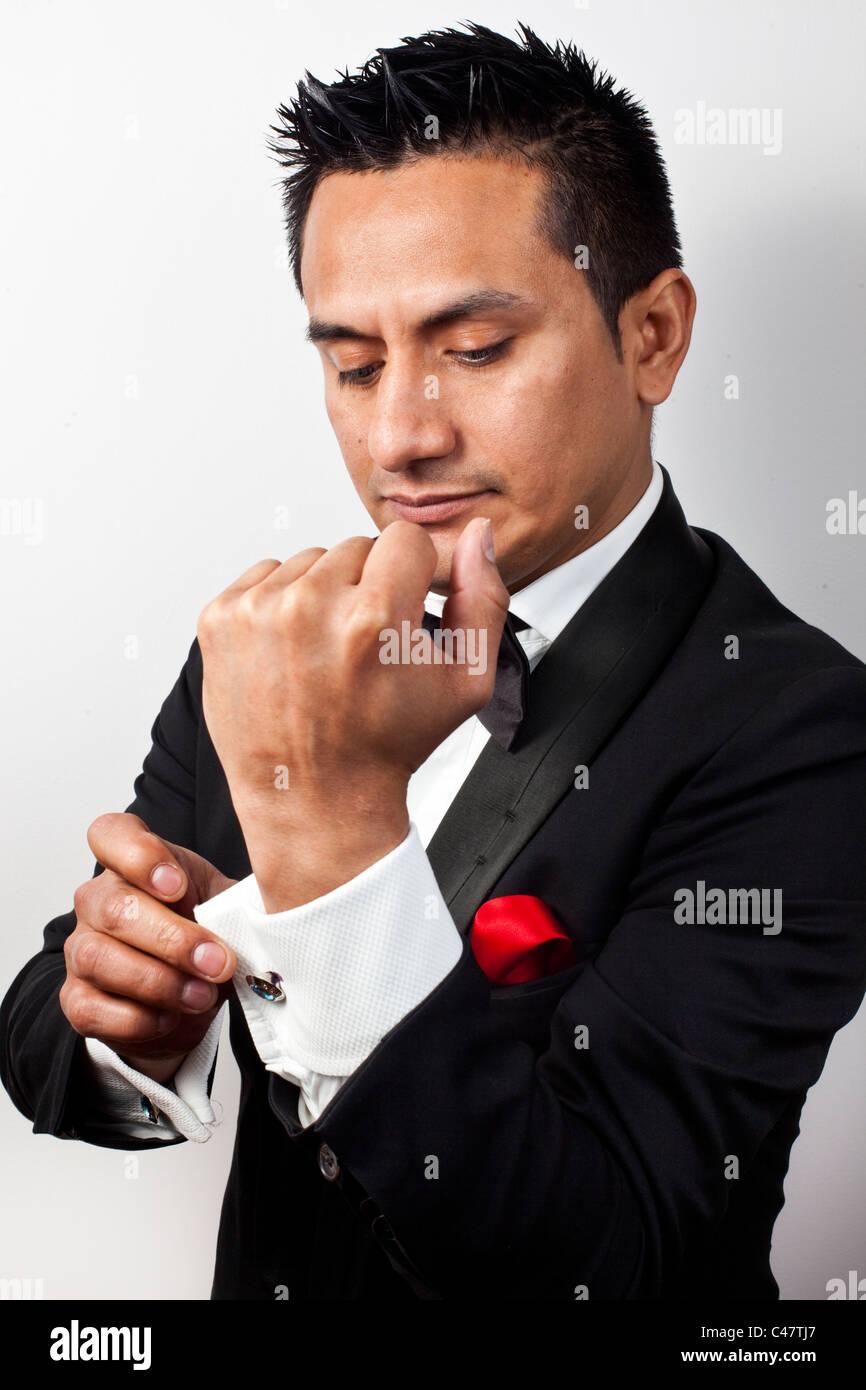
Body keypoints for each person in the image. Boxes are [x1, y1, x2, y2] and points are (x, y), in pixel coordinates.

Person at [2, 20, 865, 1301]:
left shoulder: (803, 730)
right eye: (351, 365)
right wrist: (128, 1017)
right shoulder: (268, 643)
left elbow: (615, 1264)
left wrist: (339, 840)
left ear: (653, 335)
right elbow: (45, 1030)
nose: (399, 436)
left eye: (473, 350)